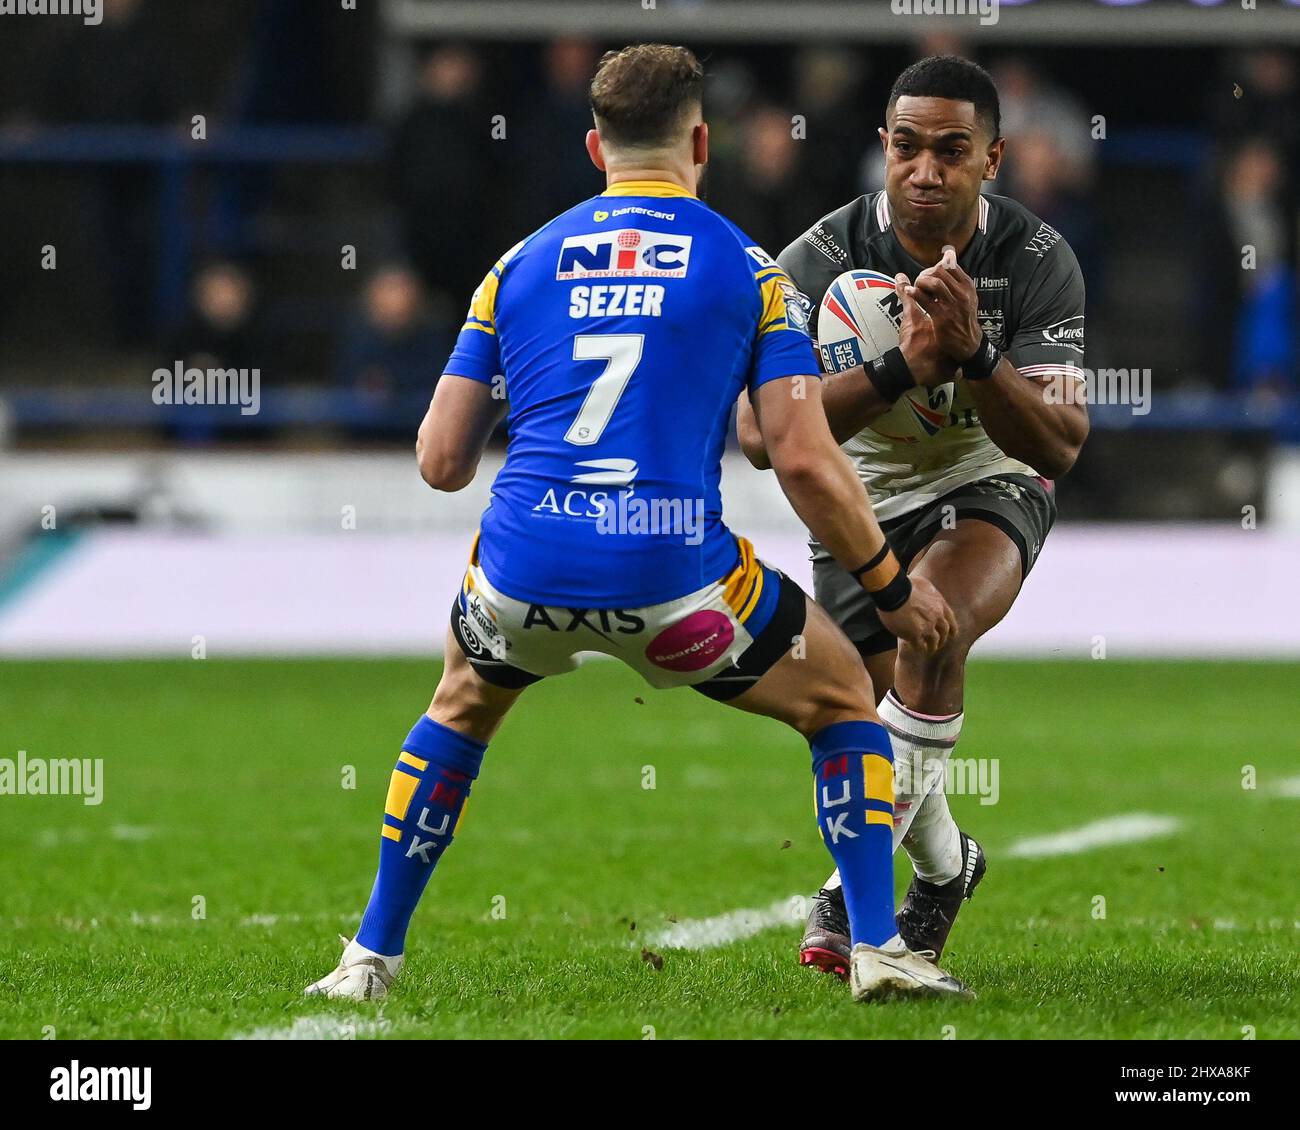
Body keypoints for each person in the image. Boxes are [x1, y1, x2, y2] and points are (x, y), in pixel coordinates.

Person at [307, 43, 968, 1005]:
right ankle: (876, 947)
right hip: (680, 589)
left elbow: (442, 463)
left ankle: (369, 957)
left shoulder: (518, 265)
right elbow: (801, 455)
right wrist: (891, 589)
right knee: (842, 707)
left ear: (594, 147)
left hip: (523, 576)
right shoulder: (748, 269)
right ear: (702, 141)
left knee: (459, 703)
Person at [736, 55, 1090, 977]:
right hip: (859, 491)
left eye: (951, 150)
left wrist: (975, 356)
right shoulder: (817, 258)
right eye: (907, 147)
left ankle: (847, 898)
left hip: (989, 476)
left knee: (933, 631)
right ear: (882, 149)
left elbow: (1056, 443)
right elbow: (759, 434)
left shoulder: (1038, 260)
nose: (925, 170)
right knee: (866, 714)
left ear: (993, 159)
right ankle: (943, 871)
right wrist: (901, 370)